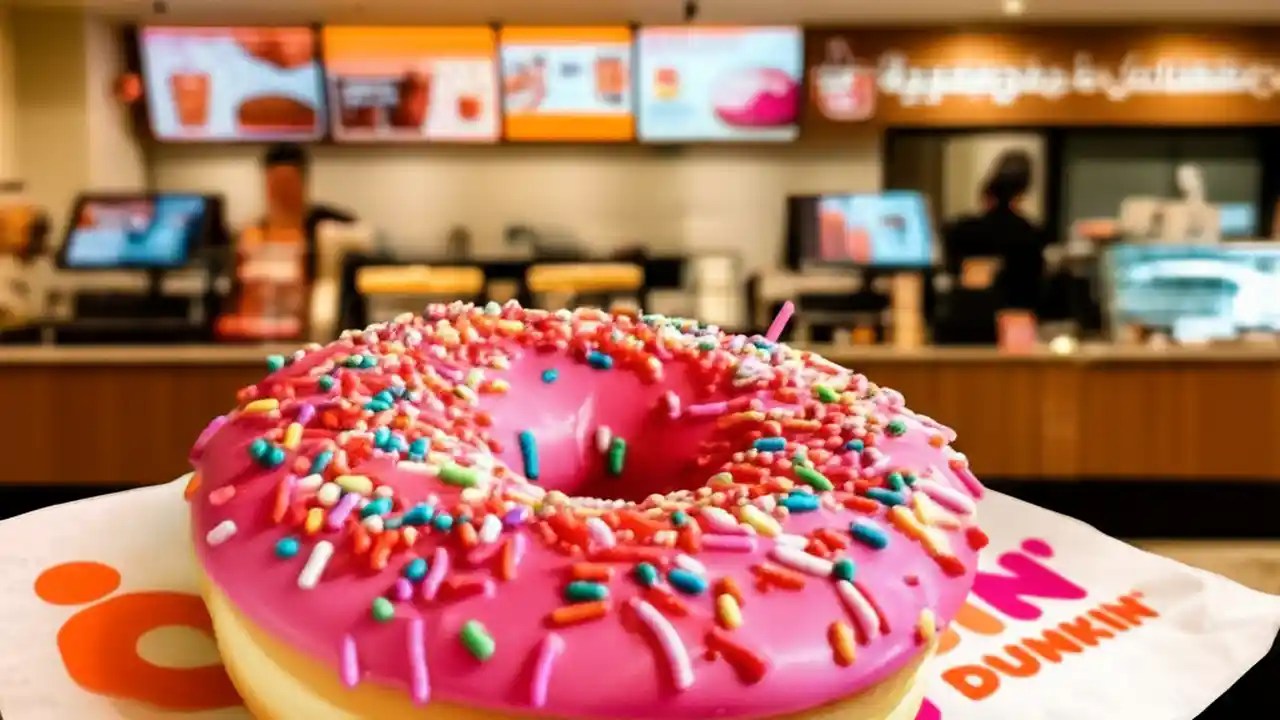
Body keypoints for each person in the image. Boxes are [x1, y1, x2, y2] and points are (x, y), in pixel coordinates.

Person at [944, 150, 1047, 313]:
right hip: (1016, 317)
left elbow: (950, 276)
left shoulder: (959, 230)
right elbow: (1035, 290)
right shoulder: (1031, 235)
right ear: (1022, 193)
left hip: (965, 315)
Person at [249, 143, 355, 282]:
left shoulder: (333, 228)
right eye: (275, 184)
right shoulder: (252, 233)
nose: (282, 192)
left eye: (288, 183)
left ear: (304, 183)